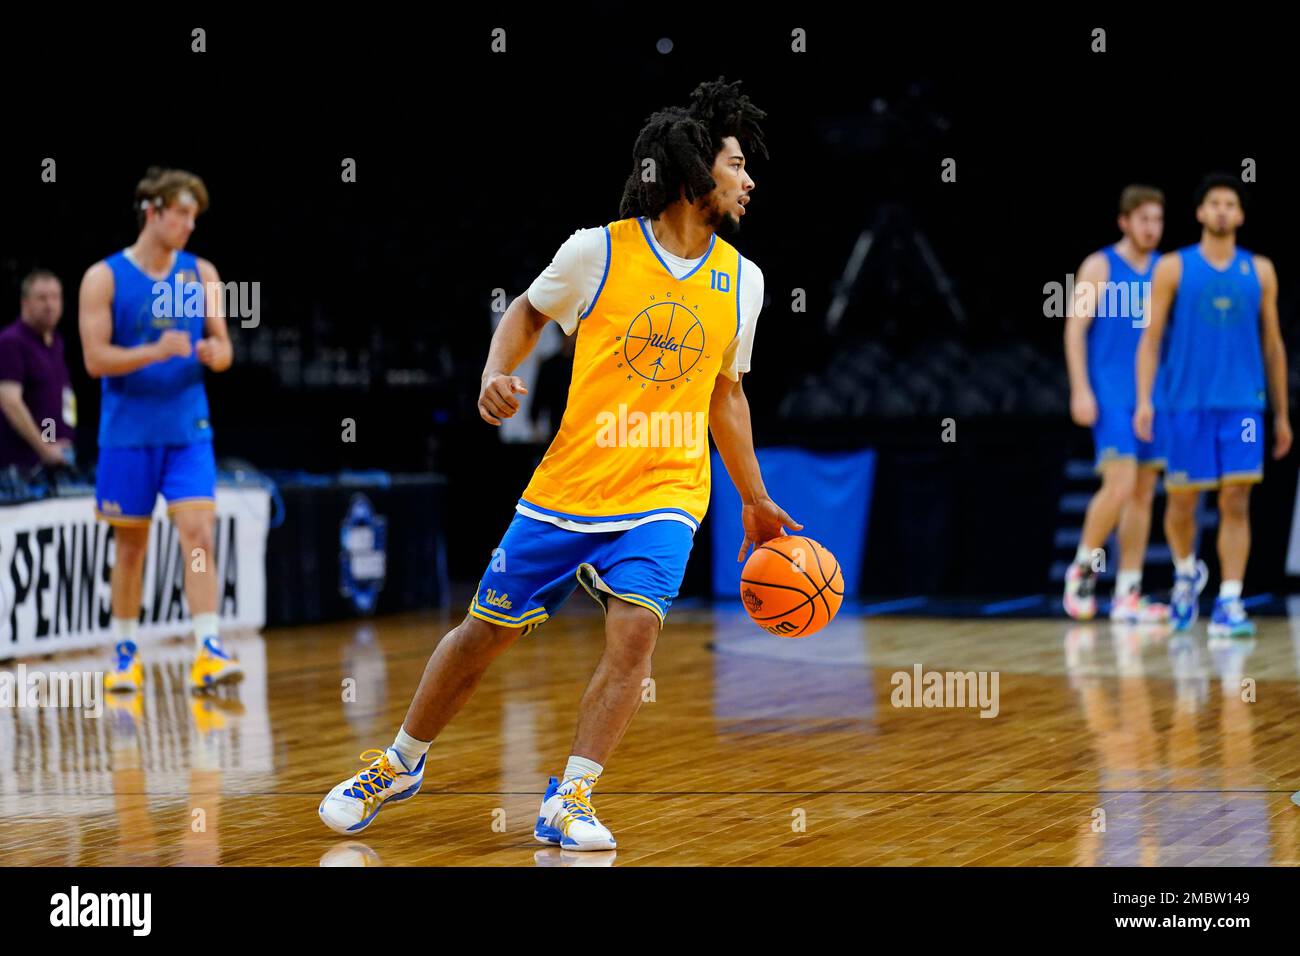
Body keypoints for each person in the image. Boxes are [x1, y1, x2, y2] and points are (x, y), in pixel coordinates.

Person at [320, 77, 799, 850]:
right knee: (484, 635)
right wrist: (493, 375)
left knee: (634, 638)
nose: (750, 180)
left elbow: (726, 397)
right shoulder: (596, 250)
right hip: (571, 484)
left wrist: (754, 496)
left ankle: (570, 795)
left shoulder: (744, 280)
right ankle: (401, 762)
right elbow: (525, 311)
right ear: (693, 175)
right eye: (737, 165)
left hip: (668, 491)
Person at [79, 167, 242, 692]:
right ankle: (125, 652)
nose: (191, 226)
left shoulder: (200, 275)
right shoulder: (104, 277)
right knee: (131, 548)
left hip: (187, 429)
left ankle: (208, 648)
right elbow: (94, 360)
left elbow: (223, 347)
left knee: (198, 536)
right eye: (183, 215)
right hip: (127, 434)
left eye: (195, 216)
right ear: (153, 212)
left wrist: (218, 354)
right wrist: (154, 350)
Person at [1134, 174, 1291, 635]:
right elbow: (1150, 339)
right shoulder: (1172, 267)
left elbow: (1273, 344)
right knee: (1183, 502)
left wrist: (1280, 413)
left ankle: (1229, 601)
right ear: (1201, 213)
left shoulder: (1259, 270)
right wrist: (1145, 400)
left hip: (1243, 404)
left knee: (1237, 497)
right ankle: (1186, 575)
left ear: (1240, 216)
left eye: (1231, 203)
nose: (1223, 210)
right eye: (1214, 203)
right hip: (1186, 403)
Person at [1063, 186, 1170, 623]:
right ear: (1124, 221)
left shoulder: (1167, 270)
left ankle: (1127, 592)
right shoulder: (1100, 265)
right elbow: (1074, 330)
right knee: (1120, 483)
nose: (1152, 228)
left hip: (1153, 393)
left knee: (1143, 493)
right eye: (1144, 219)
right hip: (1109, 390)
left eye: (1158, 220)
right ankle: (1083, 571)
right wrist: (1080, 389)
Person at [0, 270, 76, 470]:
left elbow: (58, 396)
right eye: (42, 298)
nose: (50, 305)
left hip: (57, 458)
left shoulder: (56, 342)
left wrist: (63, 437)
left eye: (55, 297)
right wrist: (44, 448)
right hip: (18, 467)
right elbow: (10, 401)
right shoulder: (11, 342)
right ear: (25, 302)